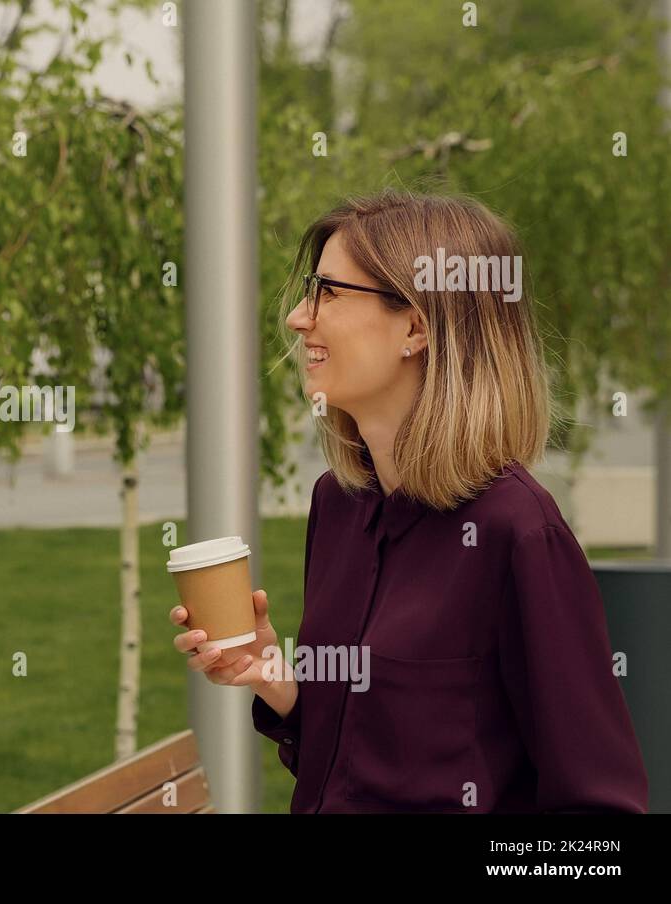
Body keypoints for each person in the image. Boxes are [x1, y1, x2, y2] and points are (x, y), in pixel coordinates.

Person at [171, 190, 648, 813]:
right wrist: (278, 681)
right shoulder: (339, 504)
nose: (298, 317)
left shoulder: (518, 533)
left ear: (417, 328)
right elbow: (355, 768)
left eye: (330, 292)